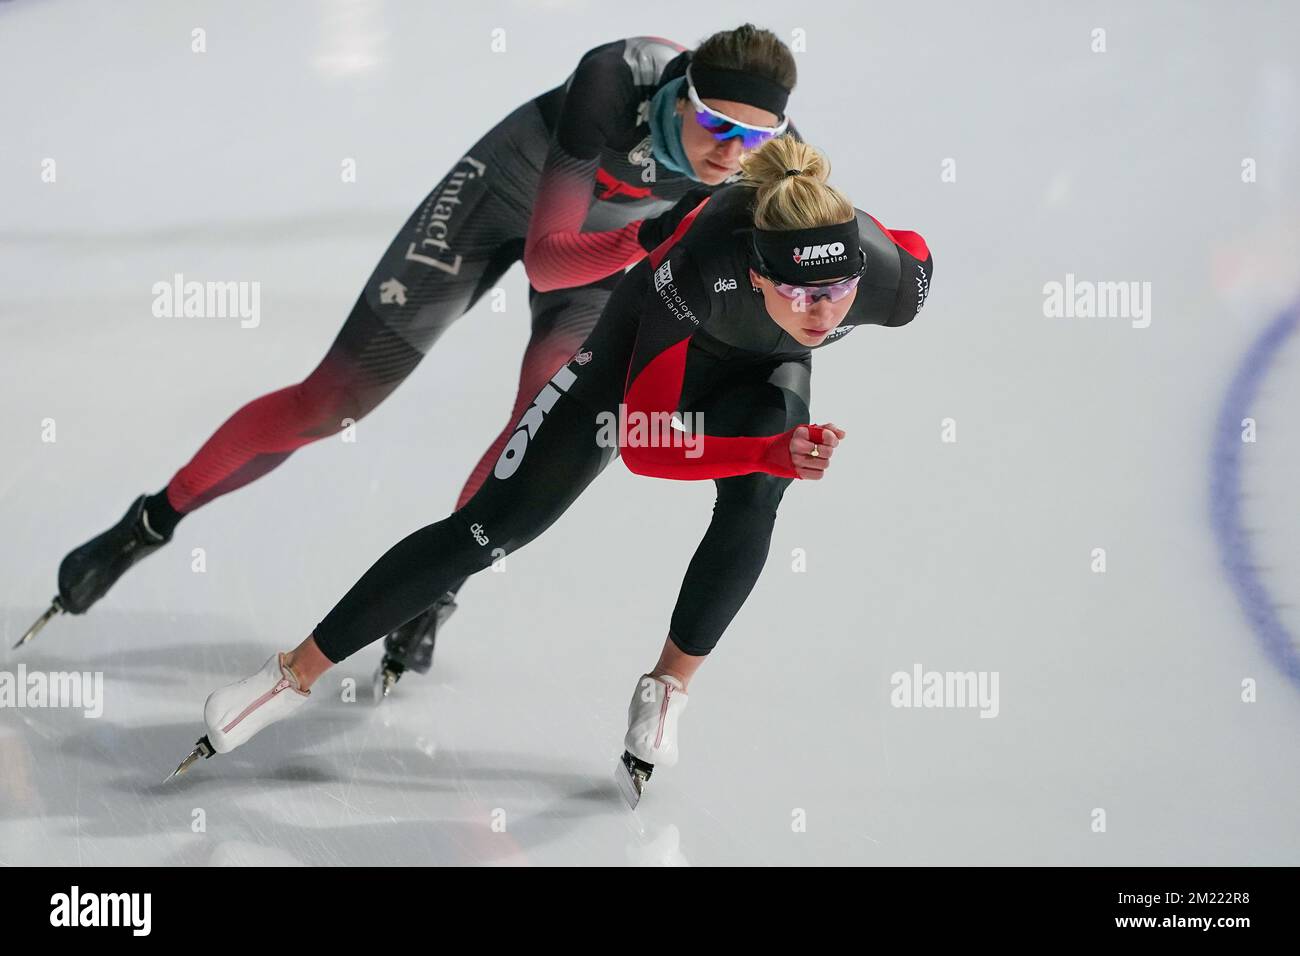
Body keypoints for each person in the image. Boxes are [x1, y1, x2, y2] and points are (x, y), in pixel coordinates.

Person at [20, 27, 801, 699]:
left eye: (754, 142)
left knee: (542, 416)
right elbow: (546, 262)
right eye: (713, 126)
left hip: (611, 245)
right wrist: (644, 240)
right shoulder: (614, 79)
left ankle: (439, 586)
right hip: (511, 201)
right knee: (333, 402)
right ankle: (151, 520)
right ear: (682, 92)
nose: (729, 155)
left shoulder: (763, 164)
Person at [173, 135, 934, 804]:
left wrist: (767, 457)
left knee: (754, 505)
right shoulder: (703, 264)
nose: (824, 312)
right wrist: (768, 451)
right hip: (637, 358)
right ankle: (288, 677)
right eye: (800, 292)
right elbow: (640, 440)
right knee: (488, 529)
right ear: (759, 275)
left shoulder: (891, 280)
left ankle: (667, 687)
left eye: (838, 291)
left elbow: (911, 246)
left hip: (762, 374)